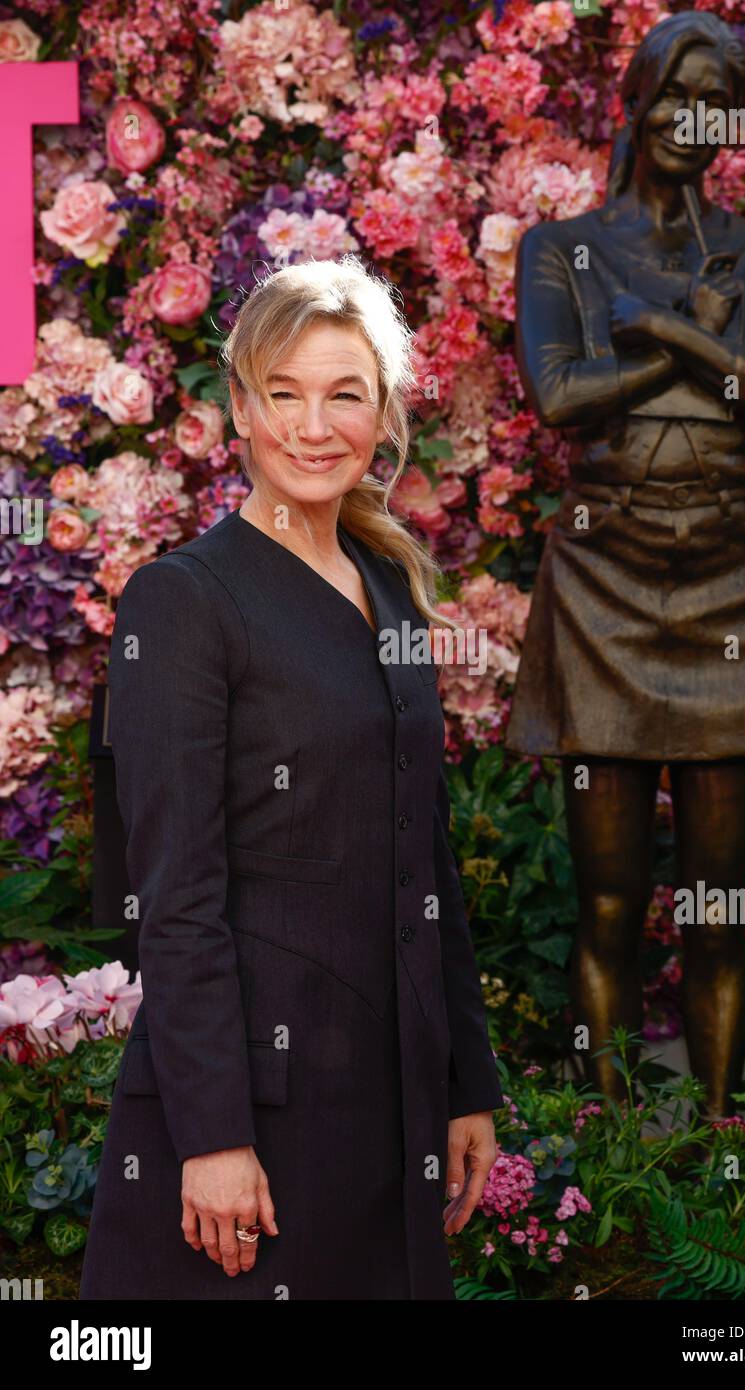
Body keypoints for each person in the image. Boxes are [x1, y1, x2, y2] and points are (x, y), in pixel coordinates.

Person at [79, 255, 503, 1301]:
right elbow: (172, 892)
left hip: (390, 1104)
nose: (315, 427)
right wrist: (212, 1135)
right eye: (286, 394)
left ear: (384, 411)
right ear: (241, 408)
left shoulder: (392, 589)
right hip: (251, 1125)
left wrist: (462, 1084)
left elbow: (425, 854)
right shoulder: (184, 603)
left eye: (345, 393)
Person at [503, 11, 745, 1117]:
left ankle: (721, 1134)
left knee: (717, 904)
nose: (693, 122)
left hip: (735, 575)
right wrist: (686, 334)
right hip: (606, 589)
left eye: (716, 100)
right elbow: (559, 399)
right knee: (607, 900)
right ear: (636, 99)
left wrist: (669, 328)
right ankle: (608, 1135)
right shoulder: (562, 249)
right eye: (677, 95)